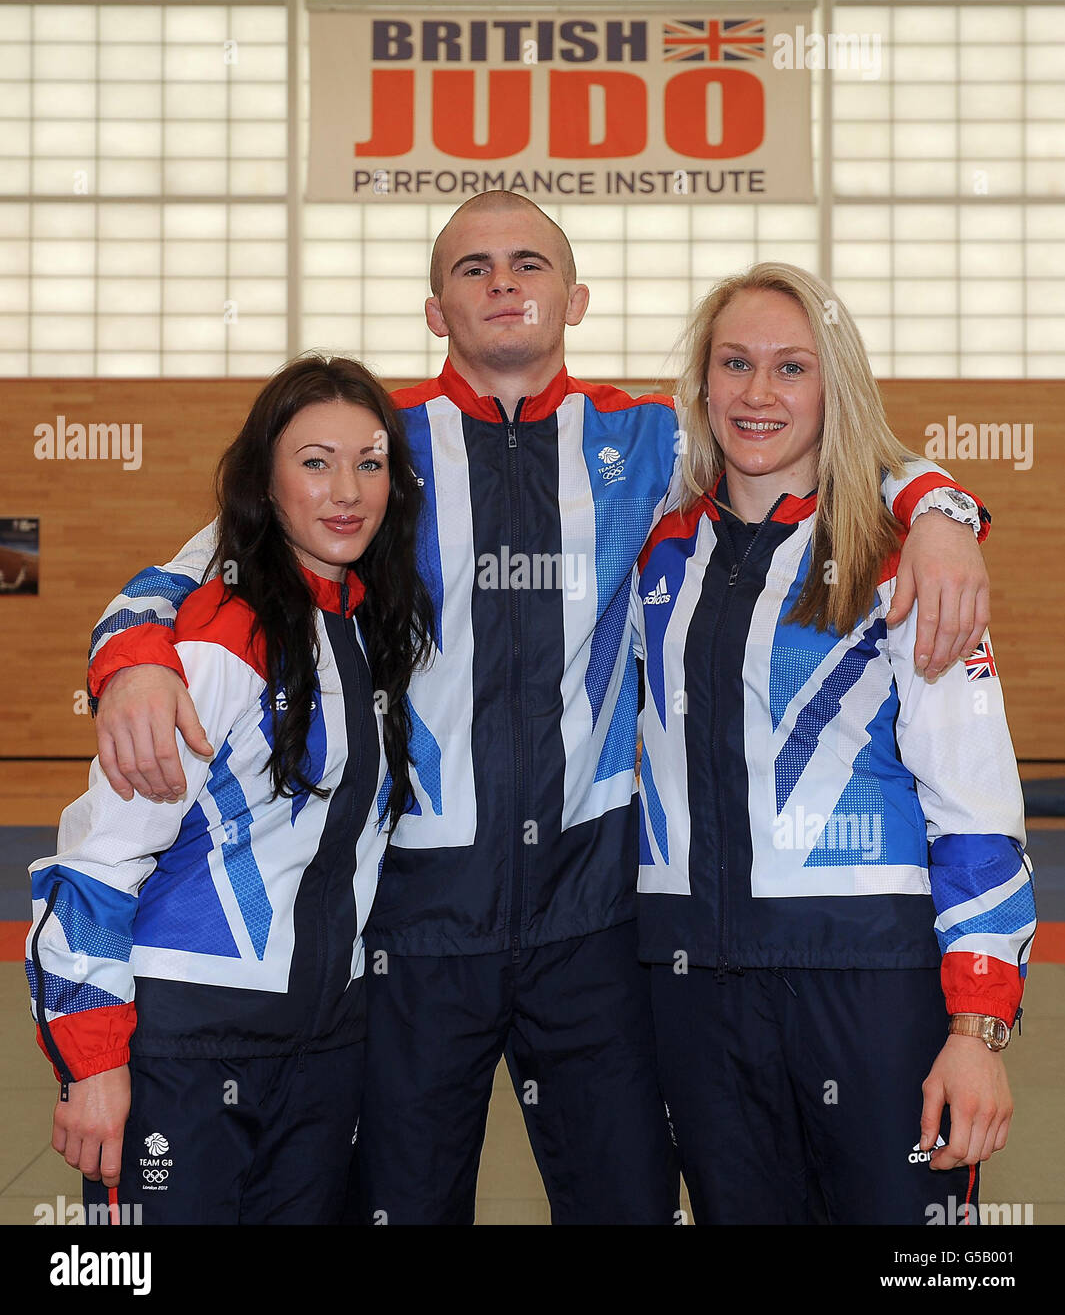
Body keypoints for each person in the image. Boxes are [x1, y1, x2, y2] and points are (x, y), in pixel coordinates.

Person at [83, 195, 992, 1226]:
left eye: (528, 263)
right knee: (399, 1206)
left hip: (592, 928)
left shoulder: (650, 442)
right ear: (435, 309)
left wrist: (944, 511)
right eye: (473, 268)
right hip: (416, 929)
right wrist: (132, 659)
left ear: (576, 297)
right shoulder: (372, 451)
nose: (503, 283)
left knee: (628, 1205)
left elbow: (821, 438)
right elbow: (192, 566)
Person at [632, 263, 1036, 1225]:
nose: (758, 394)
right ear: (700, 384)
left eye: (790, 368)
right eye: (734, 364)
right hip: (691, 987)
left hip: (869, 986)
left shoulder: (903, 562)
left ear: (833, 385)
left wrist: (978, 1029)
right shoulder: (650, 542)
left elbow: (975, 802)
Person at [27, 356, 433, 1225]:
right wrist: (91, 1067)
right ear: (266, 480)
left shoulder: (370, 628)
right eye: (314, 462)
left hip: (320, 1053)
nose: (346, 490)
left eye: (369, 462)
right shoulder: (216, 639)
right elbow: (97, 863)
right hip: (182, 1054)